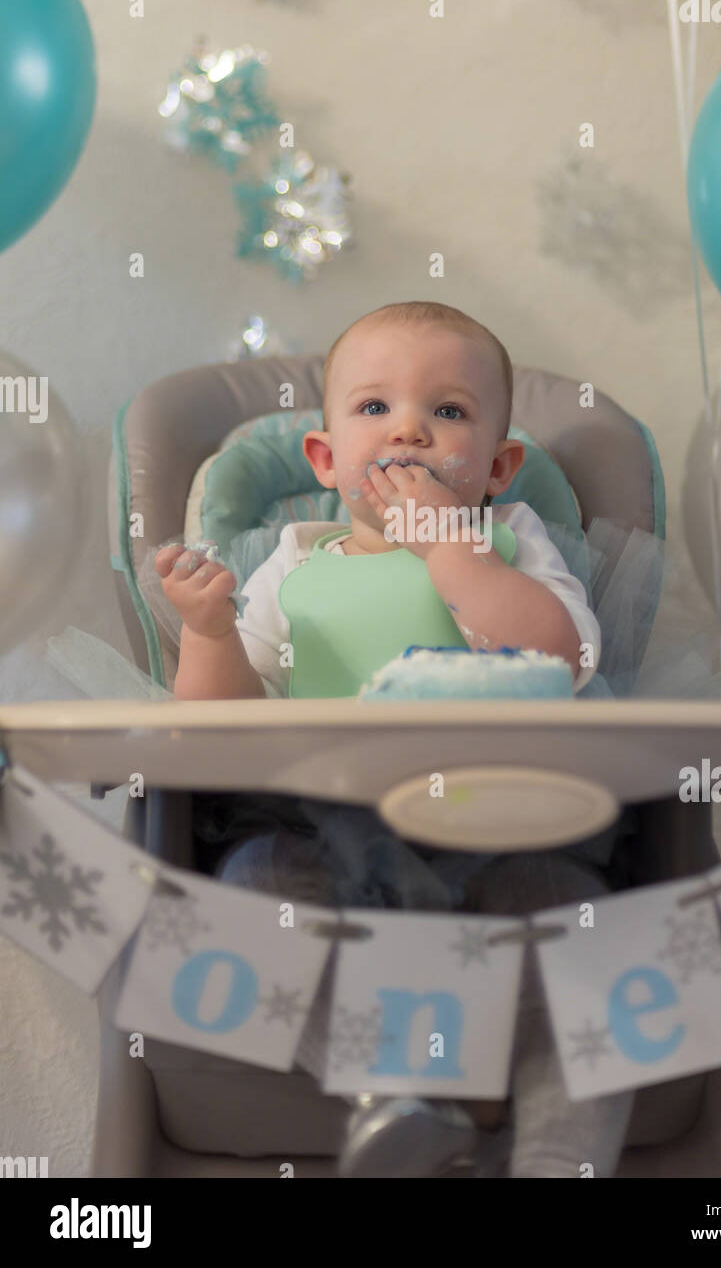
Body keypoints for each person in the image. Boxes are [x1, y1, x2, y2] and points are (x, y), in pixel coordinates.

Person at [154, 298, 635, 1177]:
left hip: (507, 827)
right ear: (327, 460)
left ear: (498, 466)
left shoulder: (513, 540)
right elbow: (218, 727)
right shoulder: (296, 557)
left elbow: (561, 657)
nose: (408, 431)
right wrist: (211, 633)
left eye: (446, 412)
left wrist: (449, 549)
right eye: (375, 408)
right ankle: (403, 1091)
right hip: (319, 832)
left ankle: (560, 1158)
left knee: (591, 934)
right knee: (246, 894)